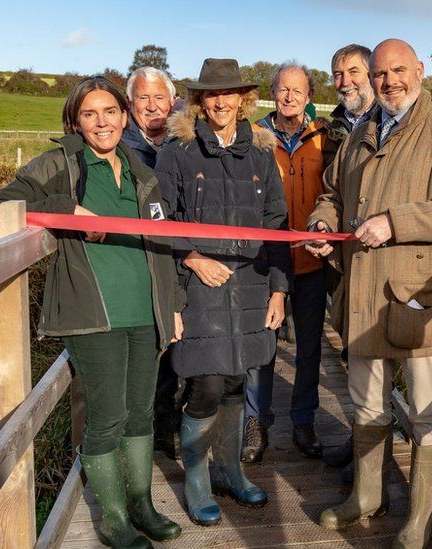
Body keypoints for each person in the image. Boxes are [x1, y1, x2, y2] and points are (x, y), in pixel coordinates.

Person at [306, 39, 432, 548]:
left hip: (418, 299)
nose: (390, 82)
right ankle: (367, 497)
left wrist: (395, 222)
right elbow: (332, 193)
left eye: (398, 70)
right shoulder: (359, 133)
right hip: (364, 294)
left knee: (426, 413)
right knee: (367, 405)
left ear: (420, 70)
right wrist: (322, 224)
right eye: (380, 74)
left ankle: (418, 521)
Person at [0, 76, 183, 547]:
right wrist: (66, 209)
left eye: (110, 112)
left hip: (145, 311)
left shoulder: (140, 170)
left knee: (140, 414)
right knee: (108, 416)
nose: (102, 123)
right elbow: (2, 204)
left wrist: (173, 305)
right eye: (90, 114)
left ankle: (142, 506)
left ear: (124, 115)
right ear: (76, 121)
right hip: (93, 314)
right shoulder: (61, 162)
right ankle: (114, 521)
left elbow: (160, 242)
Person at [155, 58, 292, 526]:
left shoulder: (261, 152)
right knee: (207, 382)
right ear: (199, 100)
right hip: (198, 285)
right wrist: (192, 258)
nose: (220, 102)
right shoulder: (177, 151)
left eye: (228, 93)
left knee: (236, 379)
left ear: (243, 99)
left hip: (251, 283)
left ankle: (229, 471)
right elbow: (160, 219)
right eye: (211, 94)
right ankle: (197, 477)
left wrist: (279, 290)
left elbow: (277, 224)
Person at [243, 62, 330, 462]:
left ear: (309, 97)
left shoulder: (324, 138)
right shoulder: (255, 137)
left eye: (298, 90)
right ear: (272, 94)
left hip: (311, 261)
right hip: (266, 262)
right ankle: (255, 423)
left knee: (309, 348)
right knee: (263, 345)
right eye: (283, 90)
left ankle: (303, 420)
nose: (290, 97)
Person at [320, 43, 379, 471]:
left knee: (382, 362)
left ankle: (373, 455)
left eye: (353, 72)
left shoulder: (390, 120)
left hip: (387, 262)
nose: (345, 82)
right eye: (338, 74)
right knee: (352, 354)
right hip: (345, 259)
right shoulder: (335, 127)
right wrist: (322, 224)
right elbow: (332, 189)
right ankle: (360, 443)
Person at [122, 66, 182, 460]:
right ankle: (146, 432)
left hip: (181, 260)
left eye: (159, 97)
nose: (152, 105)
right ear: (130, 104)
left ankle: (171, 424)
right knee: (146, 352)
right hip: (138, 262)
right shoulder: (118, 146)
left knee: (179, 350)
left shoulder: (185, 142)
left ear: (173, 102)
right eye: (143, 98)